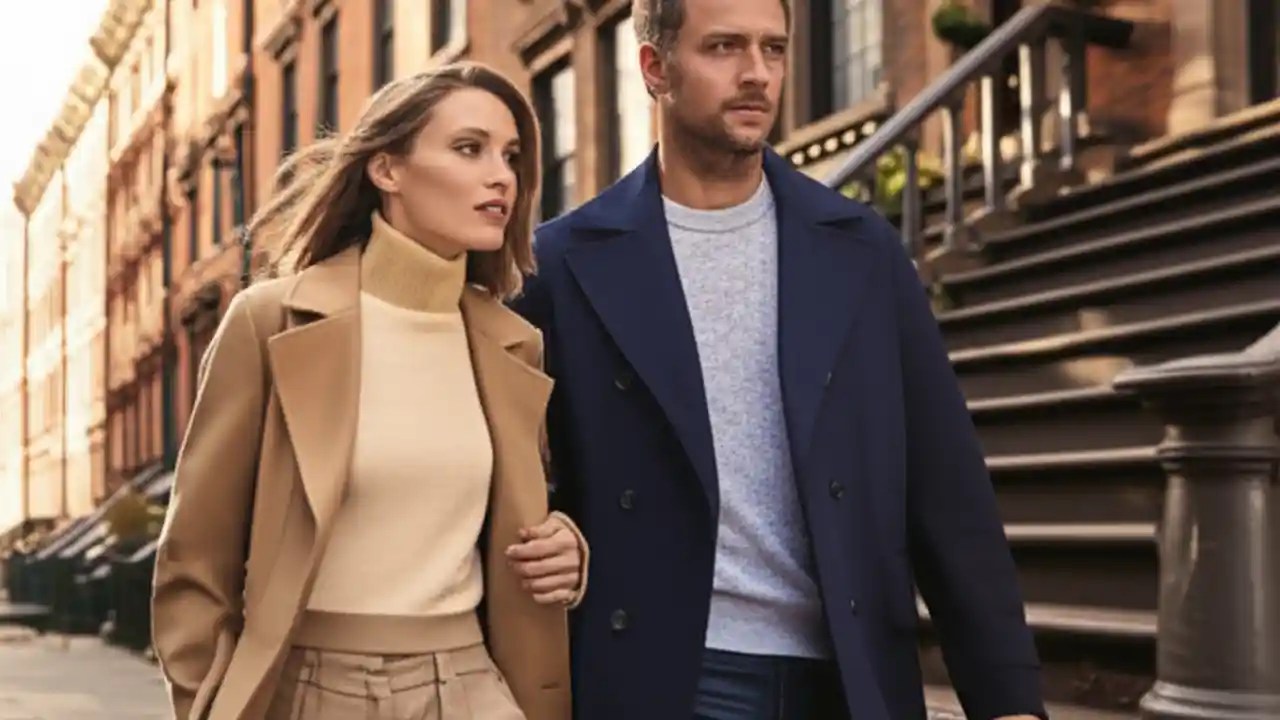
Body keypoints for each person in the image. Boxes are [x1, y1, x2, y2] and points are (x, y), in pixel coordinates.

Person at [511, 0, 1046, 718]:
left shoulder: (860, 250)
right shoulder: (565, 262)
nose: (757, 74)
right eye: (725, 47)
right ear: (654, 67)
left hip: (850, 675)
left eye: (774, 48)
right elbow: (498, 472)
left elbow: (946, 488)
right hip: (671, 676)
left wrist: (1006, 697)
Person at [152, 62, 588, 720]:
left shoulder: (511, 343)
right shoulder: (270, 323)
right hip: (310, 690)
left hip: (474, 688)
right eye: (469, 149)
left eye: (512, 156)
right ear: (386, 170)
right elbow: (195, 563)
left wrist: (567, 549)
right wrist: (208, 705)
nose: (502, 176)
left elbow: (503, 522)